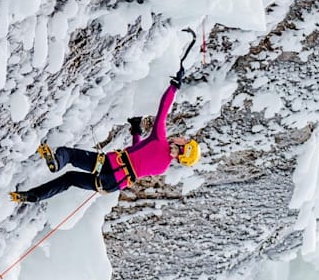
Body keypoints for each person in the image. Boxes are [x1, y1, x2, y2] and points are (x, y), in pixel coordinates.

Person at [11, 72, 201, 204]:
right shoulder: (162, 167)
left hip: (110, 165)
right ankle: (32, 196)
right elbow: (138, 157)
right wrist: (136, 131)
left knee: (68, 155)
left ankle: (56, 161)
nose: (183, 138)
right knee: (69, 180)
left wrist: (174, 87)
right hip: (111, 184)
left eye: (186, 141)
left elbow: (163, 110)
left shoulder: (160, 139)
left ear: (184, 148)